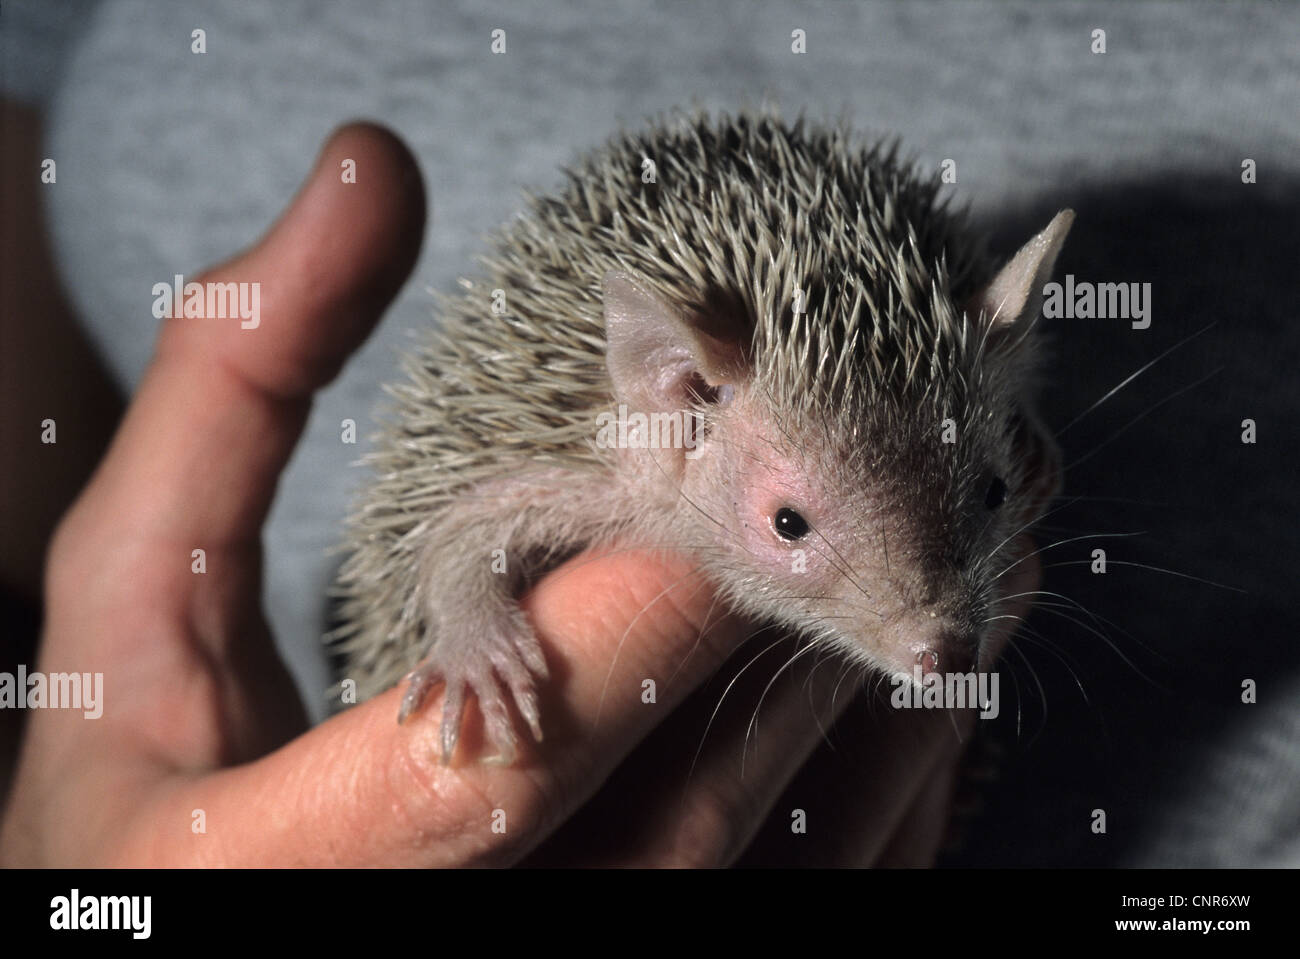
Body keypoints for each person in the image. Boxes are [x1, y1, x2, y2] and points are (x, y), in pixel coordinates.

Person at [0, 123, 1038, 867]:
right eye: (792, 523)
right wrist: (470, 621)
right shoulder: (595, 454)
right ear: (673, 396)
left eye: (979, 493)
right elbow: (453, 545)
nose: (934, 642)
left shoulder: (921, 417)